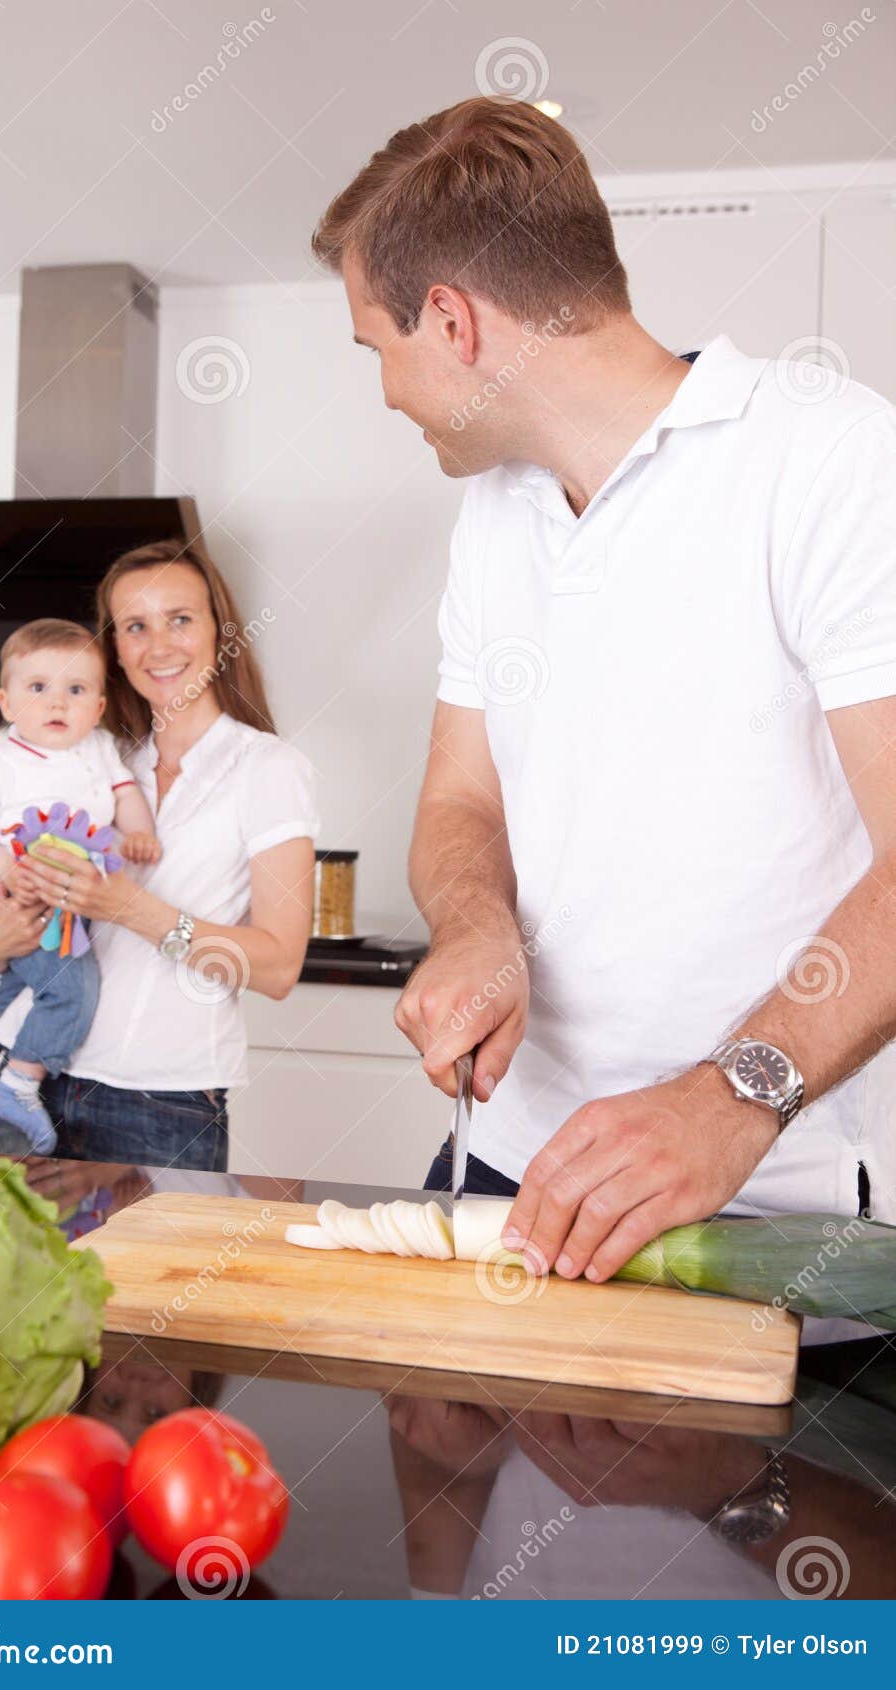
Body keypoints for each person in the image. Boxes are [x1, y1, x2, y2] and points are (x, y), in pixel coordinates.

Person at [312, 95, 896, 1296]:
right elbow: (462, 800)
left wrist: (730, 1098)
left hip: (758, 1200)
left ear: (451, 321)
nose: (384, 393)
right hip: (507, 1171)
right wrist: (475, 925)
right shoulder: (493, 517)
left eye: (374, 348)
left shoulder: (830, 458)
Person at [0, 539, 319, 1169]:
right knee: (15, 1242)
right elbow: (4, 946)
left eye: (179, 619)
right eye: (135, 626)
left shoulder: (269, 769)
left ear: (219, 629)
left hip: (161, 1104)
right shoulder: (96, 761)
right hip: (30, 1078)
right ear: (115, 650)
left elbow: (278, 967)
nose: (158, 646)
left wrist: (130, 907)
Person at [0, 619, 159, 1152]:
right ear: (6, 703)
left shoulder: (101, 747)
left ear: (98, 706)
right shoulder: (0, 761)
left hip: (70, 902)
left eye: (76, 689)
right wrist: (11, 872)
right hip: (15, 895)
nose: (57, 702)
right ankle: (19, 1084)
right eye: (38, 687)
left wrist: (140, 832)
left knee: (22, 990)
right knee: (74, 991)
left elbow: (125, 796)